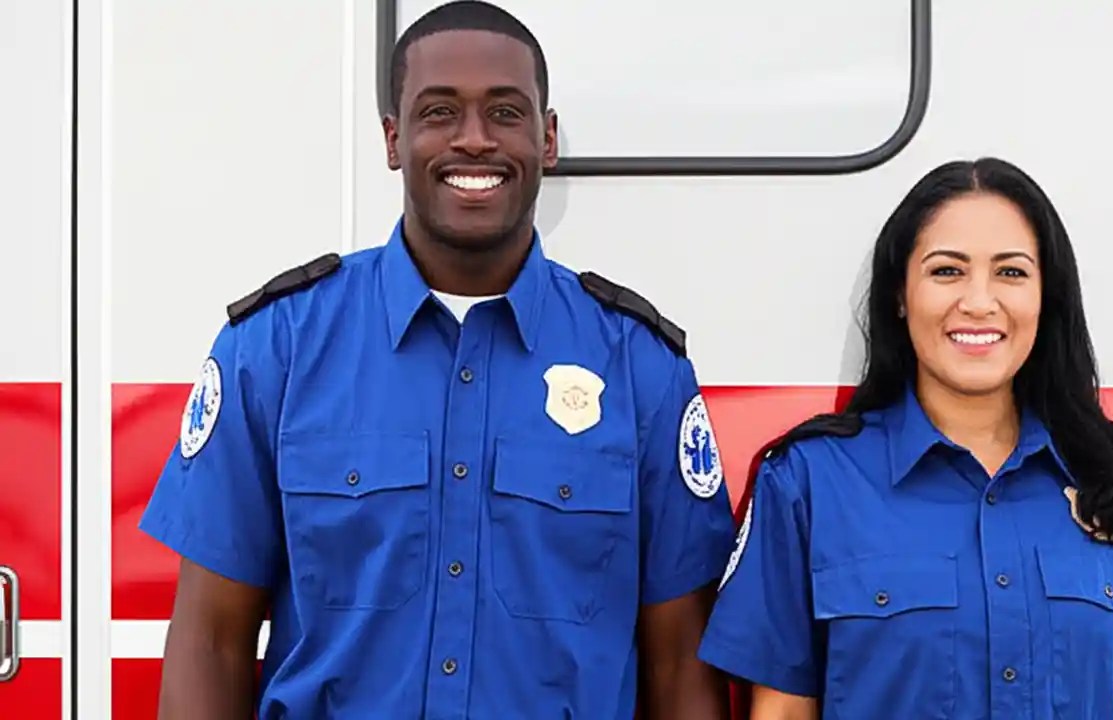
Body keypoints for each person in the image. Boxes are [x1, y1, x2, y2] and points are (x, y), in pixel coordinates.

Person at [138, 2, 736, 717]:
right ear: (394, 139)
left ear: (546, 140)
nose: (475, 140)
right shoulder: (275, 350)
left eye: (507, 113)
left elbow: (680, 663)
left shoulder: (641, 367)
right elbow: (211, 639)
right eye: (440, 112)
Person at [697, 157, 1113, 719]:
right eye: (947, 271)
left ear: (1047, 297)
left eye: (1012, 272)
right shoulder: (809, 481)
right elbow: (780, 712)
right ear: (901, 295)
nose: (979, 301)